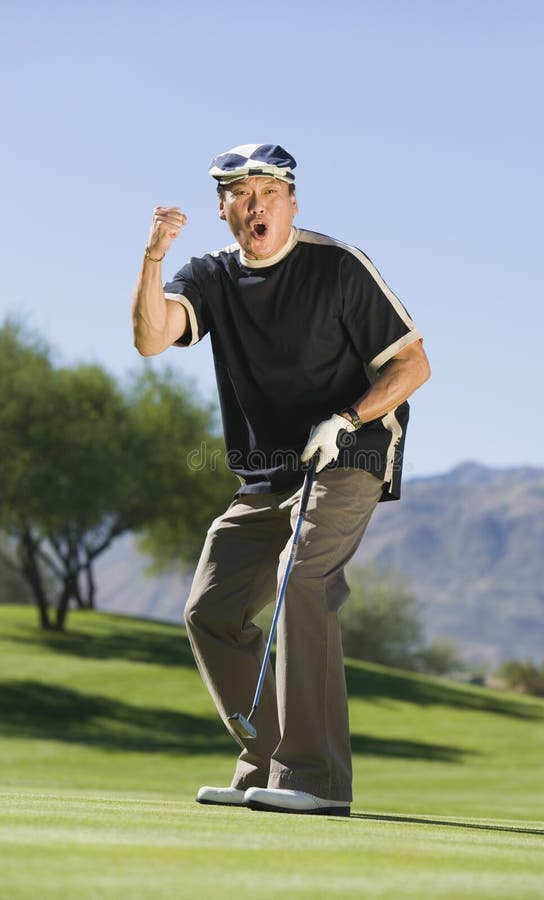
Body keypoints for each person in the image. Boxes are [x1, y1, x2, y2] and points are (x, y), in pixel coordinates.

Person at [131, 143, 430, 816]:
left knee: (304, 578)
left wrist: (347, 417)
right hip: (267, 474)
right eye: (240, 194)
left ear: (292, 200)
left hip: (350, 450)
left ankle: (315, 779)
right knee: (211, 610)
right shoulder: (208, 278)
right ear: (223, 210)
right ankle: (264, 763)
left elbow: (413, 365)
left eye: (268, 191)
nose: (255, 204)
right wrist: (151, 257)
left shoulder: (338, 267)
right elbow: (152, 338)